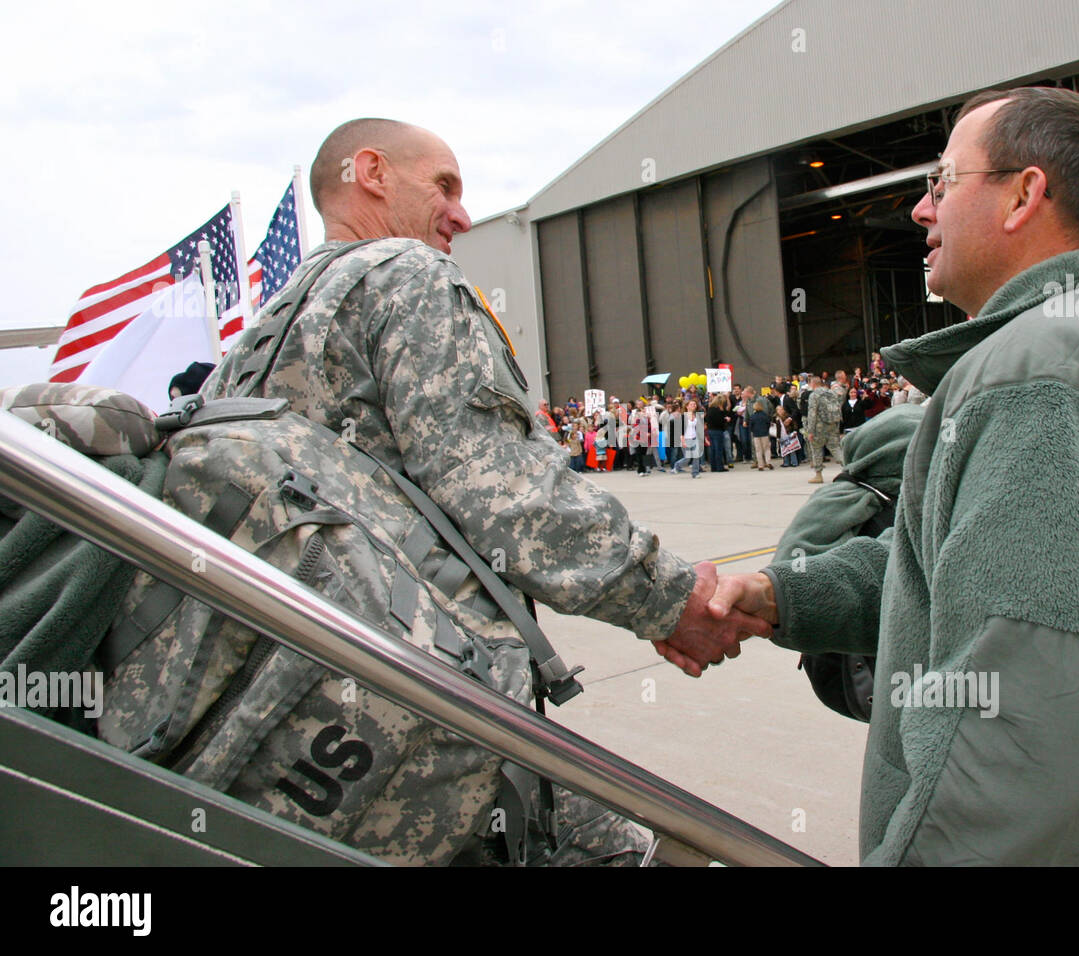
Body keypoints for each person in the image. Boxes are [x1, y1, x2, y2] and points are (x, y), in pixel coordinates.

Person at [700, 87, 1079, 865]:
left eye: (942, 181)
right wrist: (784, 595)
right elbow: (963, 573)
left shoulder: (1048, 376)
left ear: (1023, 195)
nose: (919, 210)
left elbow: (1022, 752)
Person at [199, 118, 769, 865]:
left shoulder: (257, 337)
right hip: (421, 713)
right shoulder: (403, 275)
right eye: (443, 186)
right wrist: (667, 600)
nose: (462, 216)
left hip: (305, 728)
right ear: (371, 172)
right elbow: (508, 495)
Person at [803, 375, 842, 484]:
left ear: (812, 384)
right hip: (832, 424)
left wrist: (810, 431)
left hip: (819, 427)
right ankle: (848, 467)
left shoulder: (814, 395)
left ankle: (818, 474)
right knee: (835, 448)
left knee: (816, 449)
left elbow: (812, 414)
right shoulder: (831, 393)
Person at [673, 398, 705, 477]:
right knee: (687, 458)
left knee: (696, 456)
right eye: (691, 404)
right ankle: (677, 466)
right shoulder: (684, 416)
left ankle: (695, 473)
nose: (694, 405)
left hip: (694, 438)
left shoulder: (696, 415)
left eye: (694, 404)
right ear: (687, 406)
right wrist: (683, 441)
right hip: (686, 439)